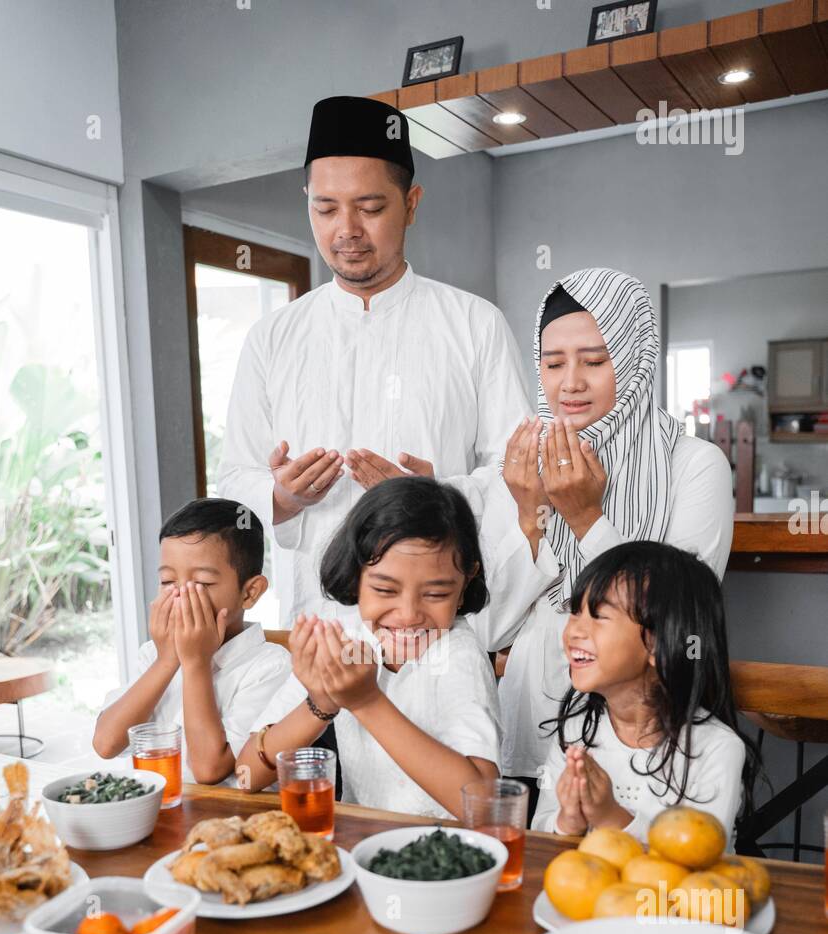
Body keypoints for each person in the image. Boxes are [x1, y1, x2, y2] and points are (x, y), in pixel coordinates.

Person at [218, 93, 530, 627]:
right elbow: (234, 481)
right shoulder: (272, 337)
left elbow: (519, 474)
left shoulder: (475, 324)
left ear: (411, 203)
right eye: (326, 208)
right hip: (320, 630)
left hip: (435, 629)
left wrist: (438, 495)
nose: (347, 231)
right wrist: (282, 495)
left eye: (370, 207)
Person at [491, 268, 735, 803]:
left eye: (596, 361)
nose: (570, 382)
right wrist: (529, 512)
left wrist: (584, 517)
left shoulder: (695, 466)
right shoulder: (523, 467)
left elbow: (673, 616)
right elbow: (489, 624)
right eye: (553, 363)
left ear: (635, 359)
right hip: (531, 732)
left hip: (651, 737)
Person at [237, 477, 501, 819]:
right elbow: (246, 775)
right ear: (355, 579)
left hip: (441, 859)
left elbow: (484, 808)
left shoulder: (458, 657)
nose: (408, 615)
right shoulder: (348, 641)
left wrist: (366, 701)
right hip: (360, 849)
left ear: (465, 585)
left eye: (435, 594)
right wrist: (322, 702)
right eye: (385, 591)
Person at [532, 541, 758, 847]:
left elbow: (698, 862)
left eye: (598, 616)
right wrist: (566, 822)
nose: (574, 631)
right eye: (575, 612)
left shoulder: (717, 750)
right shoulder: (575, 732)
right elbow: (541, 837)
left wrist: (612, 817)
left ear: (657, 644)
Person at [94, 499, 290, 784]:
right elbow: (105, 744)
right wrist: (167, 661)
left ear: (250, 593)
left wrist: (196, 662)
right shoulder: (154, 654)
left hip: (227, 820)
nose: (182, 596)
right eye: (167, 581)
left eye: (203, 583)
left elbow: (209, 770)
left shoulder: (270, 666)